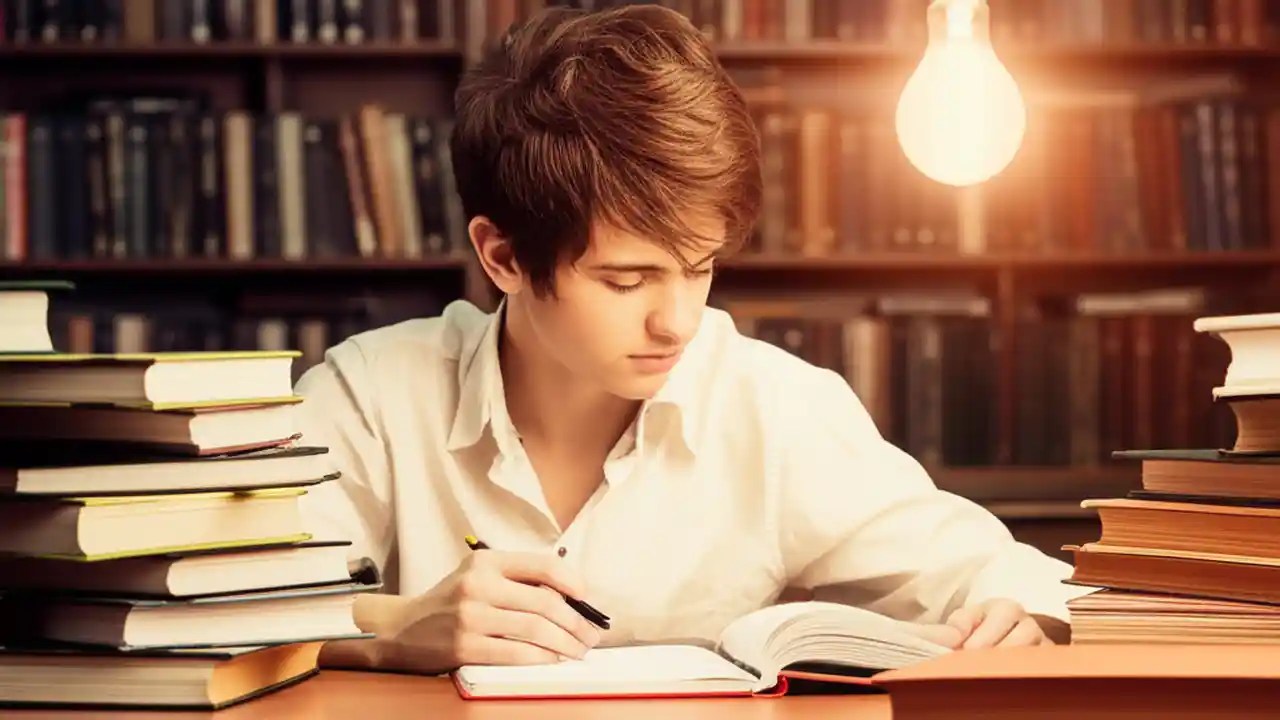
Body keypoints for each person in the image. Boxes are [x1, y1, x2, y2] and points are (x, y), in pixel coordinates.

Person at [295, 4, 1088, 675]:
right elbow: (206, 614)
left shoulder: (773, 406)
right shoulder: (372, 394)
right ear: (502, 257)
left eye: (699, 267)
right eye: (626, 280)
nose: (676, 320)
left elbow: (1003, 571)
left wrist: (1016, 614)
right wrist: (392, 628)